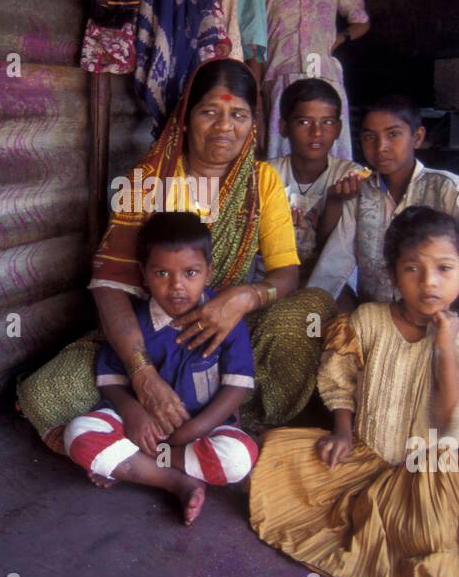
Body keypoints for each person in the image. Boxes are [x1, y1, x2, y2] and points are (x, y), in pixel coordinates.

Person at [17, 58, 337, 454]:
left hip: (226, 334)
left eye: (238, 114)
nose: (224, 126)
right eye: (210, 112)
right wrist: (142, 376)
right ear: (186, 117)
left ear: (252, 123)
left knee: (312, 307)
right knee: (44, 393)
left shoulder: (262, 182)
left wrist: (242, 299)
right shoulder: (147, 181)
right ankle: (183, 430)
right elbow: (109, 286)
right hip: (152, 334)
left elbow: (285, 272)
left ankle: (219, 419)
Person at [250, 207, 459, 577]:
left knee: (426, 535)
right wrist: (342, 431)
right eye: (412, 268)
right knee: (274, 458)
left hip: (425, 474)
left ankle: (396, 526)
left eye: (445, 269)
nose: (428, 282)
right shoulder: (367, 320)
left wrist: (444, 348)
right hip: (365, 454)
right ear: (394, 273)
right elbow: (340, 378)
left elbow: (455, 424)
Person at [64, 212, 259, 525]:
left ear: (208, 273)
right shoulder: (132, 324)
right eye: (162, 274)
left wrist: (194, 429)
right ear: (144, 274)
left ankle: (135, 466)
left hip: (202, 429)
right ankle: (176, 481)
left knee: (239, 457)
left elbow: (238, 386)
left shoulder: (226, 321)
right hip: (141, 431)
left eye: (191, 273)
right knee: (78, 435)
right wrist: (133, 413)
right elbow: (111, 381)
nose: (177, 286)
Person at [310, 95, 459, 312]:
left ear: (417, 137)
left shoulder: (448, 188)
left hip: (434, 318)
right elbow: (335, 264)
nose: (381, 147)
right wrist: (324, 307)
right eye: (370, 136)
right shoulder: (360, 192)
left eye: (393, 134)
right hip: (374, 316)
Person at [262, 0, 369, 160]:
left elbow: (361, 20)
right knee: (282, 158)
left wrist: (341, 37)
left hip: (324, 80)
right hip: (282, 80)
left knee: (329, 159)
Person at [264, 78, 361, 281]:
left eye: (327, 122)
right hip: (270, 279)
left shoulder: (349, 176)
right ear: (283, 127)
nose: (316, 132)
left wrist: (335, 202)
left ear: (338, 129)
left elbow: (336, 252)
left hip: (328, 282)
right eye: (304, 122)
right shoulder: (266, 175)